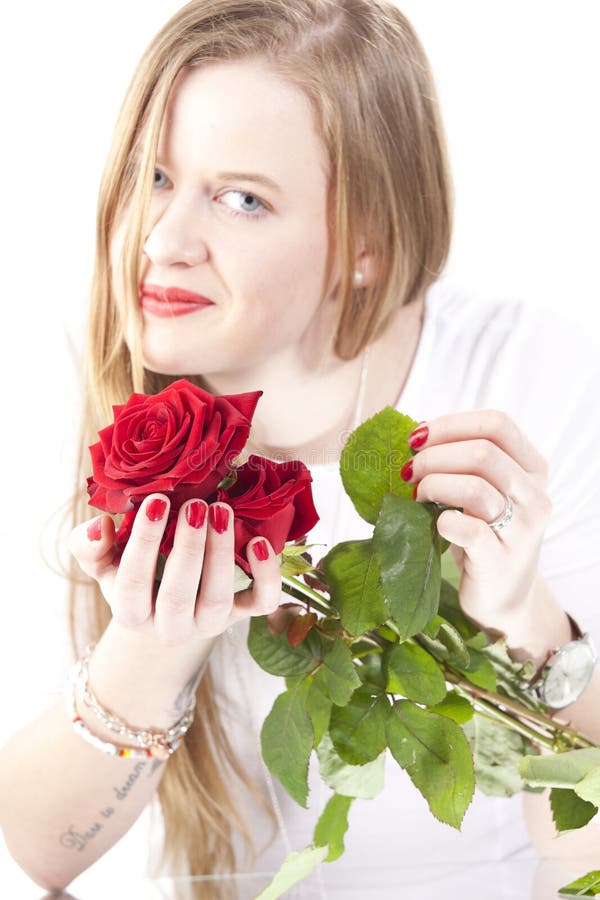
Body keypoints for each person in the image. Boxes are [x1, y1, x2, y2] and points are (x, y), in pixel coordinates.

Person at [1, 0, 599, 896]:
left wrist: (526, 622)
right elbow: (40, 856)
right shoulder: (101, 401)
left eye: (242, 199)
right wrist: (148, 649)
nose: (164, 241)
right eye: (155, 176)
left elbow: (579, 858)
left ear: (367, 243)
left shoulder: (530, 381)